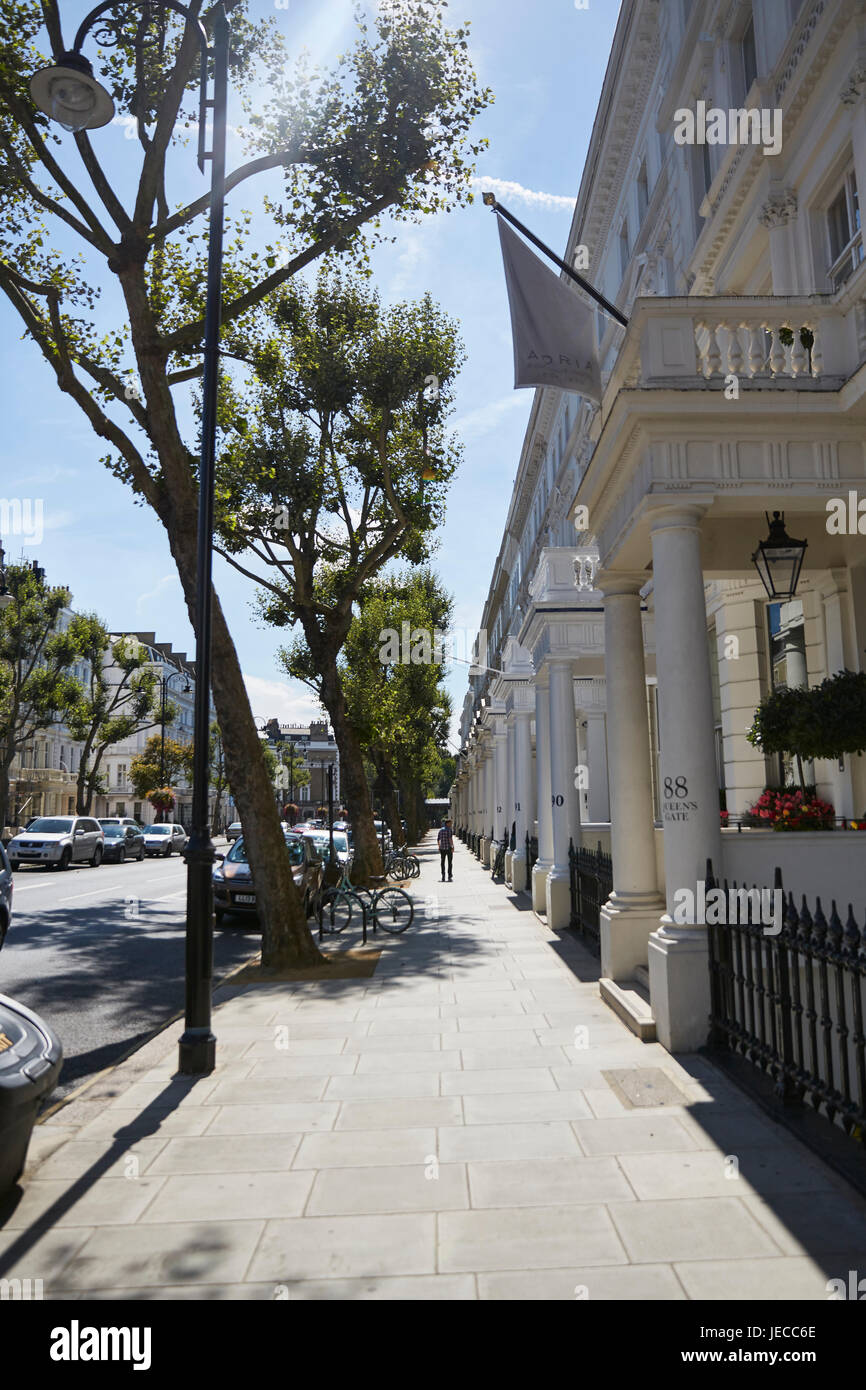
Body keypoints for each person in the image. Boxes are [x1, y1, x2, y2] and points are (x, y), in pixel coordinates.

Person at [437, 816, 454, 882]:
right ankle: (449, 876)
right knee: (450, 862)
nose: (451, 824)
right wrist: (452, 846)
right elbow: (450, 839)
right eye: (450, 823)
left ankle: (443, 875)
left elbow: (438, 839)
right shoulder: (449, 830)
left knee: (442, 862)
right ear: (447, 823)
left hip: (442, 848)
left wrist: (439, 846)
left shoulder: (441, 830)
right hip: (448, 848)